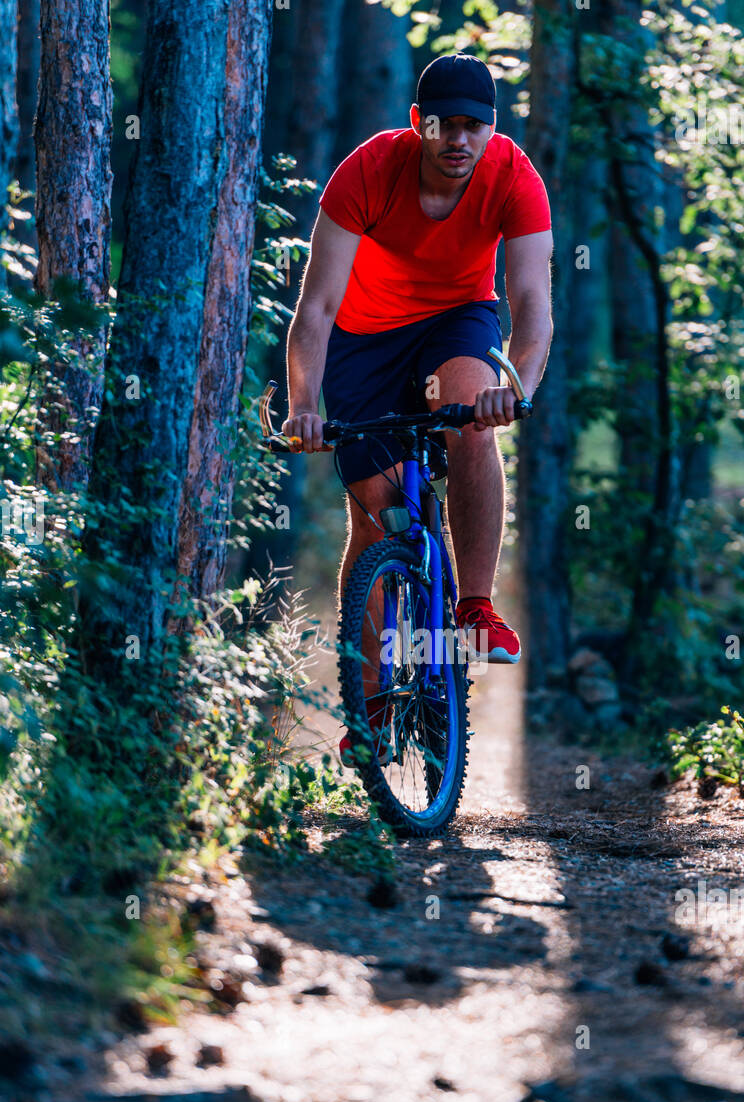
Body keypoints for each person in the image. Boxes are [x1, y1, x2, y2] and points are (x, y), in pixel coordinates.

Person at [282, 53, 553, 763]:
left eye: (475, 127)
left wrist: (515, 386)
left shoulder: (513, 176)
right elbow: (314, 308)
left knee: (468, 418)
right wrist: (303, 404)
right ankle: (368, 706)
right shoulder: (368, 171)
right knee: (371, 514)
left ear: (490, 131)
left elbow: (531, 307)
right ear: (417, 124)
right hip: (363, 339)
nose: (459, 140)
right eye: (445, 125)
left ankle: (474, 607)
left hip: (458, 318)